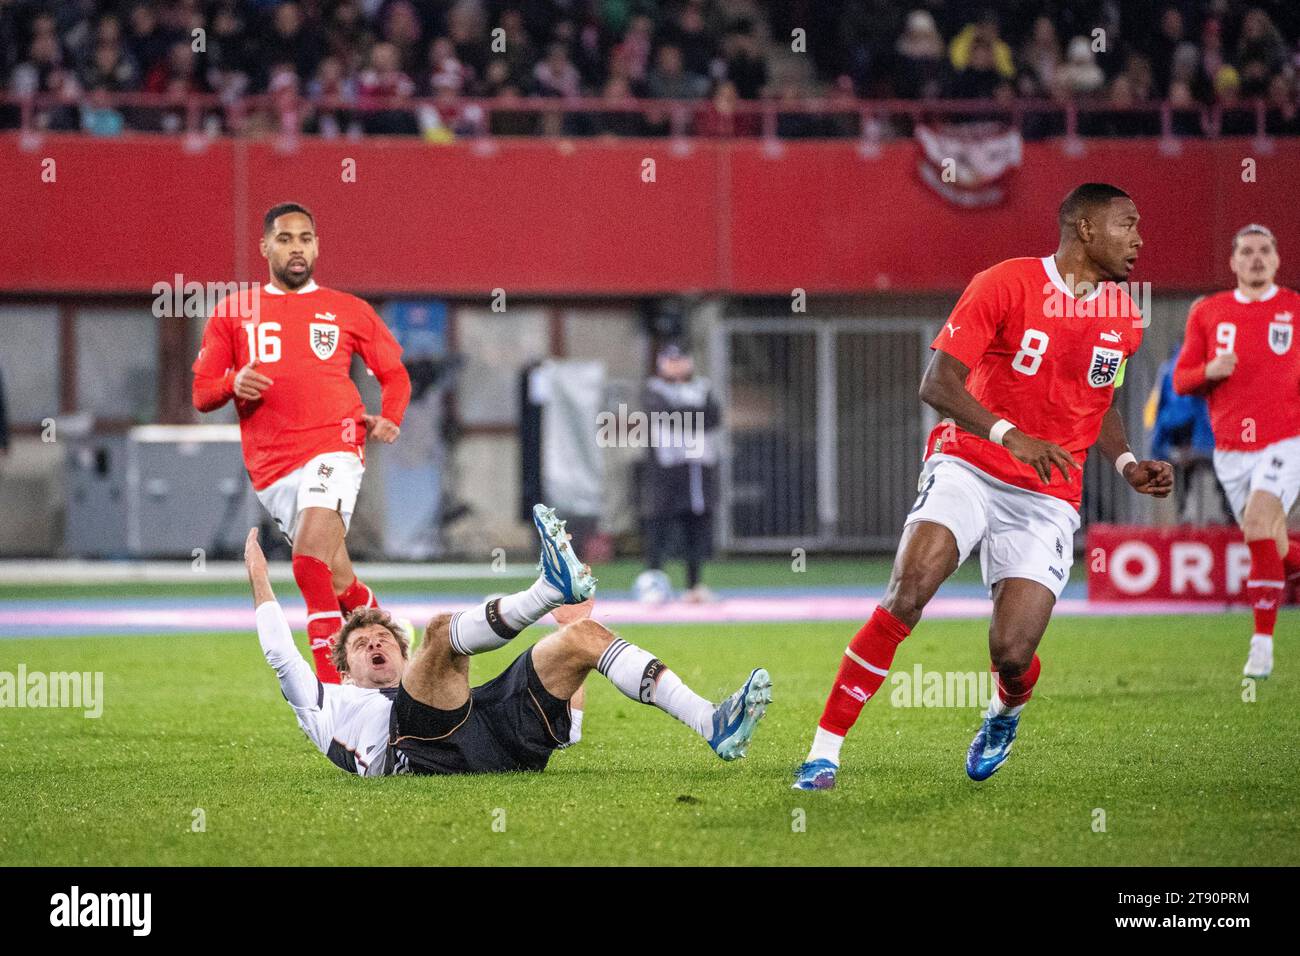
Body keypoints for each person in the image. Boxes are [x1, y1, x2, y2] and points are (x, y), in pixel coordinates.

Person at [793, 183, 1173, 791]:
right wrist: (1008, 434)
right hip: (968, 462)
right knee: (908, 591)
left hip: (1048, 493)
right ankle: (823, 754)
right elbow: (937, 382)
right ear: (1085, 228)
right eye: (1128, 223)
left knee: (1013, 653)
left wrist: (1127, 461)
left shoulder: (1125, 316)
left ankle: (1004, 713)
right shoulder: (1004, 283)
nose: (1140, 238)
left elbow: (1098, 403)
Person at [245, 505, 772, 776]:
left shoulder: (420, 678)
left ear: (402, 657)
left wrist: (572, 662)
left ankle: (712, 722)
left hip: (492, 738)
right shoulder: (325, 701)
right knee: (440, 630)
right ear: (344, 668)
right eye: (361, 645)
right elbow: (277, 652)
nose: (375, 645)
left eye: (383, 638)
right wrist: (259, 577)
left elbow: (569, 730)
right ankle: (546, 588)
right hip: (419, 758)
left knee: (583, 636)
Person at [193, 202, 411, 683]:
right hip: (272, 468)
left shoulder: (349, 309)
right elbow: (202, 392)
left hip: (337, 444)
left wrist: (389, 418)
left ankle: (333, 696)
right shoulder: (234, 311)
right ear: (266, 246)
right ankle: (400, 651)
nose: (297, 247)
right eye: (286, 238)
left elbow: (395, 376)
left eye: (306, 238)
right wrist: (232, 383)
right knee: (338, 580)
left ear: (317, 245)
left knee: (309, 562)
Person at [1173, 224, 1300, 679]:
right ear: (1233, 262)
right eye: (1246, 252)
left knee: (1256, 523)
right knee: (1270, 542)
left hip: (1286, 440)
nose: (1256, 259)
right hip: (1230, 449)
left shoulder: (1295, 308)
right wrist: (1209, 368)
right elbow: (1181, 380)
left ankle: (1262, 645)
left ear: (1277, 259)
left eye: (1265, 250)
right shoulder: (1208, 312)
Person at [640, 342, 721, 602]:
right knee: (659, 525)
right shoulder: (654, 388)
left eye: (680, 360)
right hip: (665, 470)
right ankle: (653, 582)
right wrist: (691, 416)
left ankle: (694, 585)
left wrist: (681, 415)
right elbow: (663, 414)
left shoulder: (703, 387)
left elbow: (713, 416)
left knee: (695, 526)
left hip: (697, 468)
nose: (676, 366)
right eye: (670, 360)